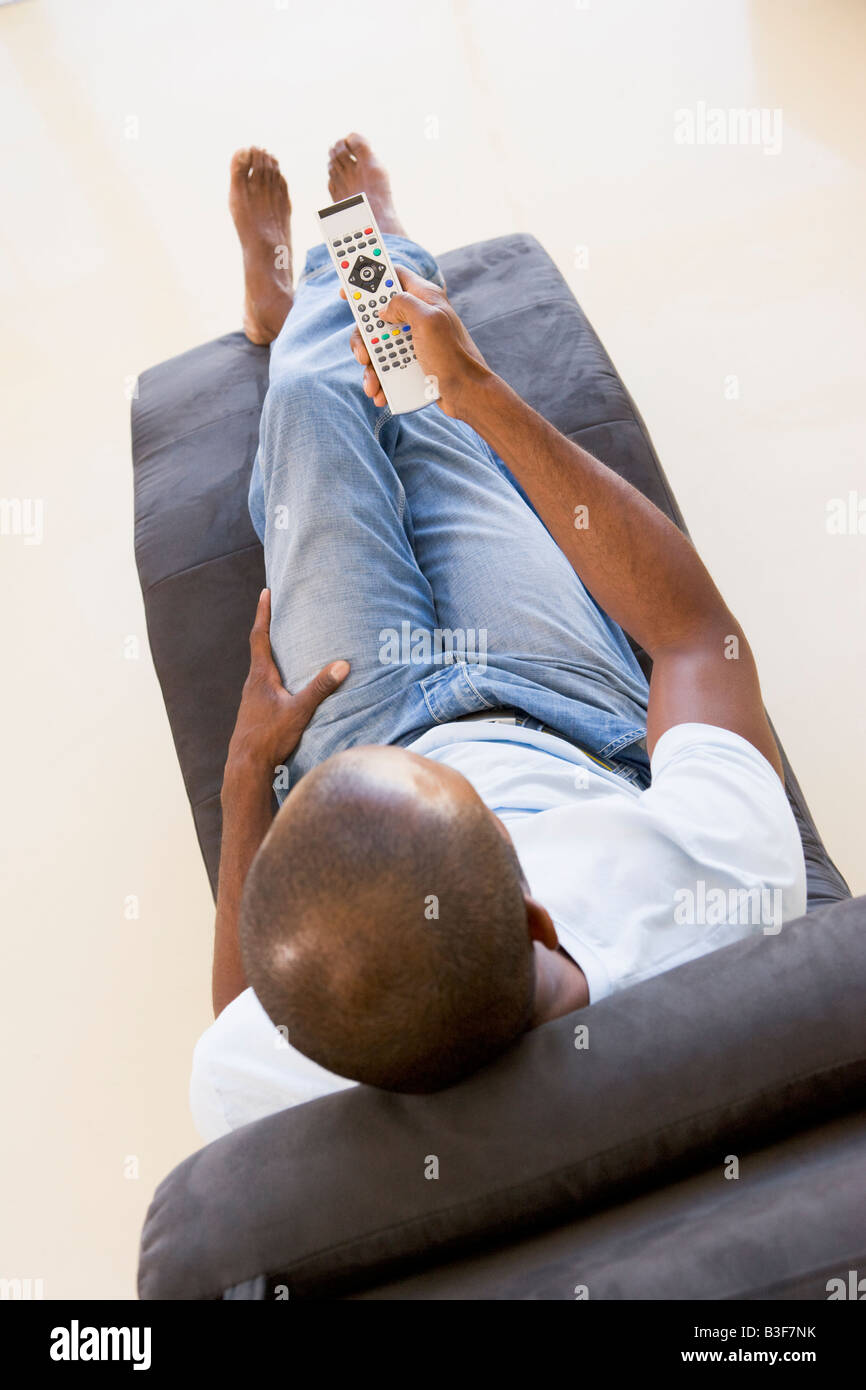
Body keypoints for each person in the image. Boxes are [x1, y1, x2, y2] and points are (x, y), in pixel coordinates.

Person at [190, 135, 806, 1142]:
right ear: (536, 916)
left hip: (358, 734)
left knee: (310, 403)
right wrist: (478, 384)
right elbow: (697, 641)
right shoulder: (717, 883)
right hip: (557, 706)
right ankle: (370, 253)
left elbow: (236, 1025)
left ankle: (296, 304)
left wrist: (249, 772)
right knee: (431, 415)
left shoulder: (249, 1086)